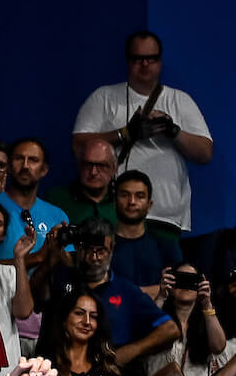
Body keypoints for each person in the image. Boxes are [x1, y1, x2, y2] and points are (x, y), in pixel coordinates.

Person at [70, 31, 212, 236]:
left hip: (166, 215)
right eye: (138, 59)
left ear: (160, 61)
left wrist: (173, 131)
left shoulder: (180, 100)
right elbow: (77, 145)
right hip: (114, 213)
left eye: (151, 58)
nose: (145, 64)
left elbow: (205, 153)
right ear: (128, 61)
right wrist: (125, 133)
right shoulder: (104, 97)